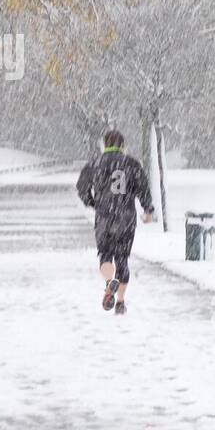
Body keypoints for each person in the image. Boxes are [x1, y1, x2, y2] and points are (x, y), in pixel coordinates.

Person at [75, 129, 156, 315]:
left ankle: (108, 282)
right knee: (122, 260)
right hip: (126, 217)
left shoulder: (94, 164)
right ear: (122, 145)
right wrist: (148, 210)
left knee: (105, 255)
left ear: (105, 144)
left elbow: (82, 188)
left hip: (104, 216)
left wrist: (92, 202)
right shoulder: (132, 164)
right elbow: (143, 189)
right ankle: (120, 302)